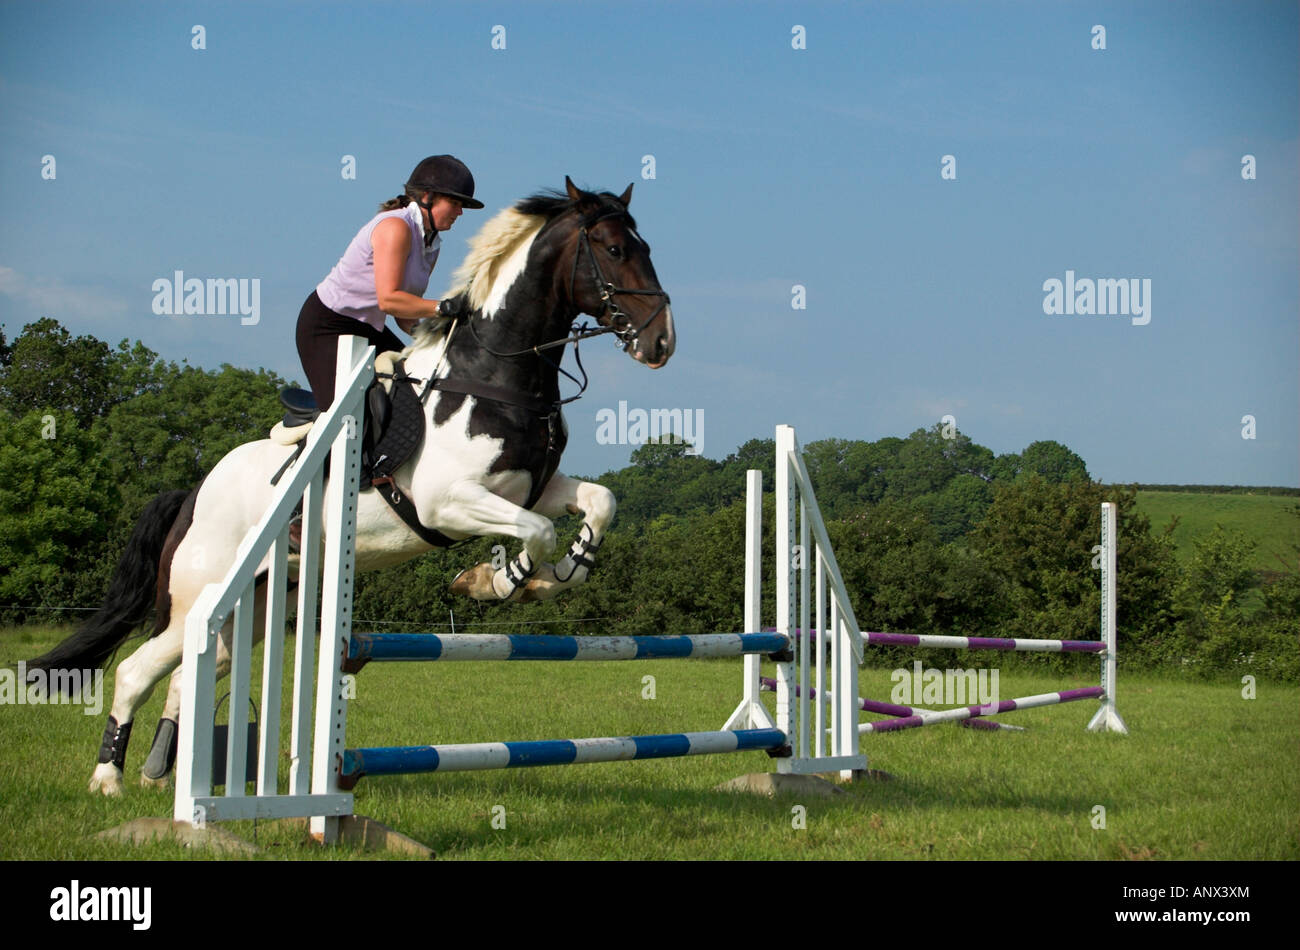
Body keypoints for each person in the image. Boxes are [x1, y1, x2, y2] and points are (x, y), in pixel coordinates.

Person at [296, 154, 484, 411]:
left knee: (413, 393)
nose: (460, 212)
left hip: (369, 329)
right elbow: (389, 300)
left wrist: (438, 338)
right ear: (427, 197)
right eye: (454, 203)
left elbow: (404, 313)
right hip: (327, 327)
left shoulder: (432, 243)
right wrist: (445, 307)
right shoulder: (396, 227)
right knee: (346, 418)